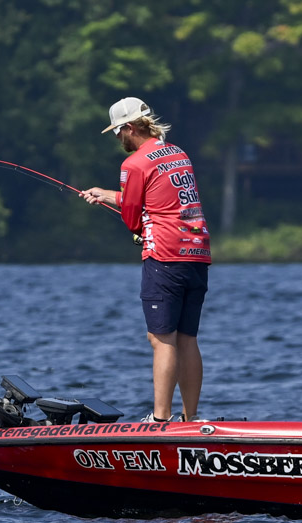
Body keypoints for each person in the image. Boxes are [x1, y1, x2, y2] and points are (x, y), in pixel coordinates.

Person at [81, 97, 211, 423]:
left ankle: (161, 418)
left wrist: (124, 208)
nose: (117, 139)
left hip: (164, 258)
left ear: (129, 127)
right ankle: (190, 417)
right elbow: (155, 199)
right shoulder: (178, 153)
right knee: (187, 338)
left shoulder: (133, 165)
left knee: (161, 339)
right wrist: (105, 193)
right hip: (196, 255)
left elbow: (132, 219)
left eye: (116, 132)